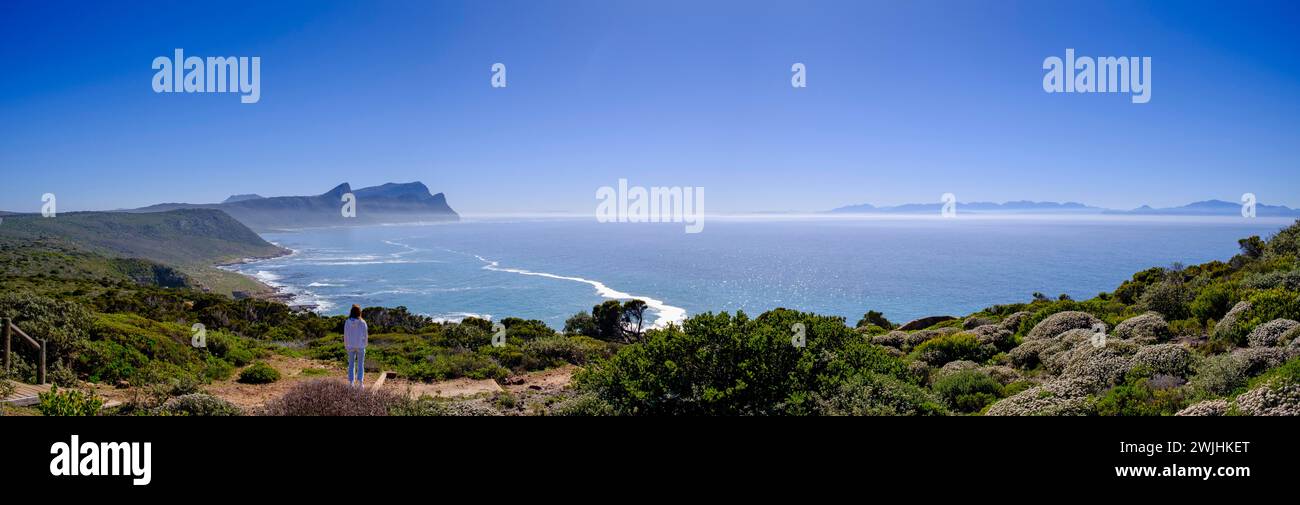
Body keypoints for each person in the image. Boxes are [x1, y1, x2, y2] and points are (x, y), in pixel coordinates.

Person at [343, 304, 369, 388]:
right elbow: (366, 335)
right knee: (360, 364)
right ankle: (360, 383)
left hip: (350, 346)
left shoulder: (347, 322)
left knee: (351, 364)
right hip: (360, 346)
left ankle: (351, 383)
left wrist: (346, 345)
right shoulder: (362, 322)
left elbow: (345, 335)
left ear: (351, 312)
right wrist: (365, 344)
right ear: (359, 312)